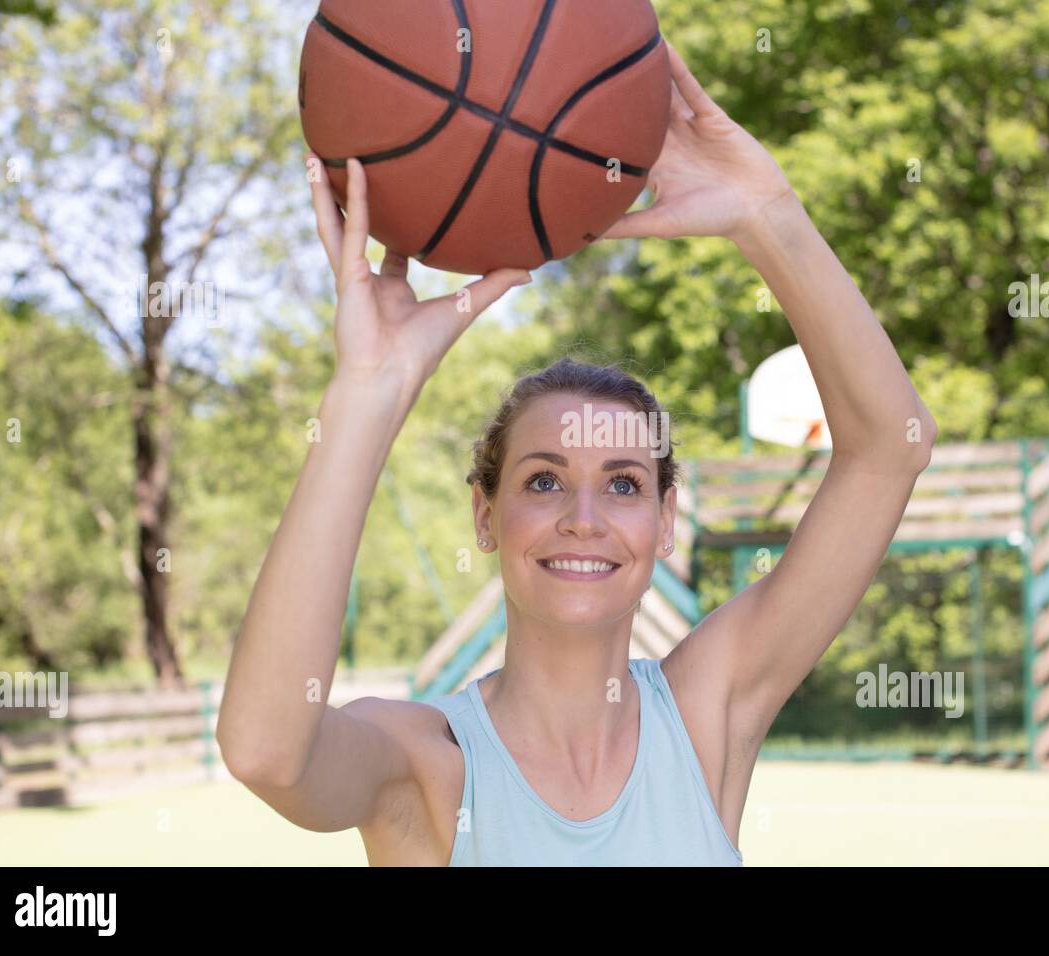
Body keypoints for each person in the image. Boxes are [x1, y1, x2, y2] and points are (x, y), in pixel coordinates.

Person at [216, 41, 936, 866]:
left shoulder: (708, 715)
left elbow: (893, 446)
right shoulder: (429, 762)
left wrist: (765, 212)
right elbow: (267, 752)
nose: (583, 519)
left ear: (666, 521)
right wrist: (367, 393)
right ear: (485, 515)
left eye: (624, 483)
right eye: (545, 479)